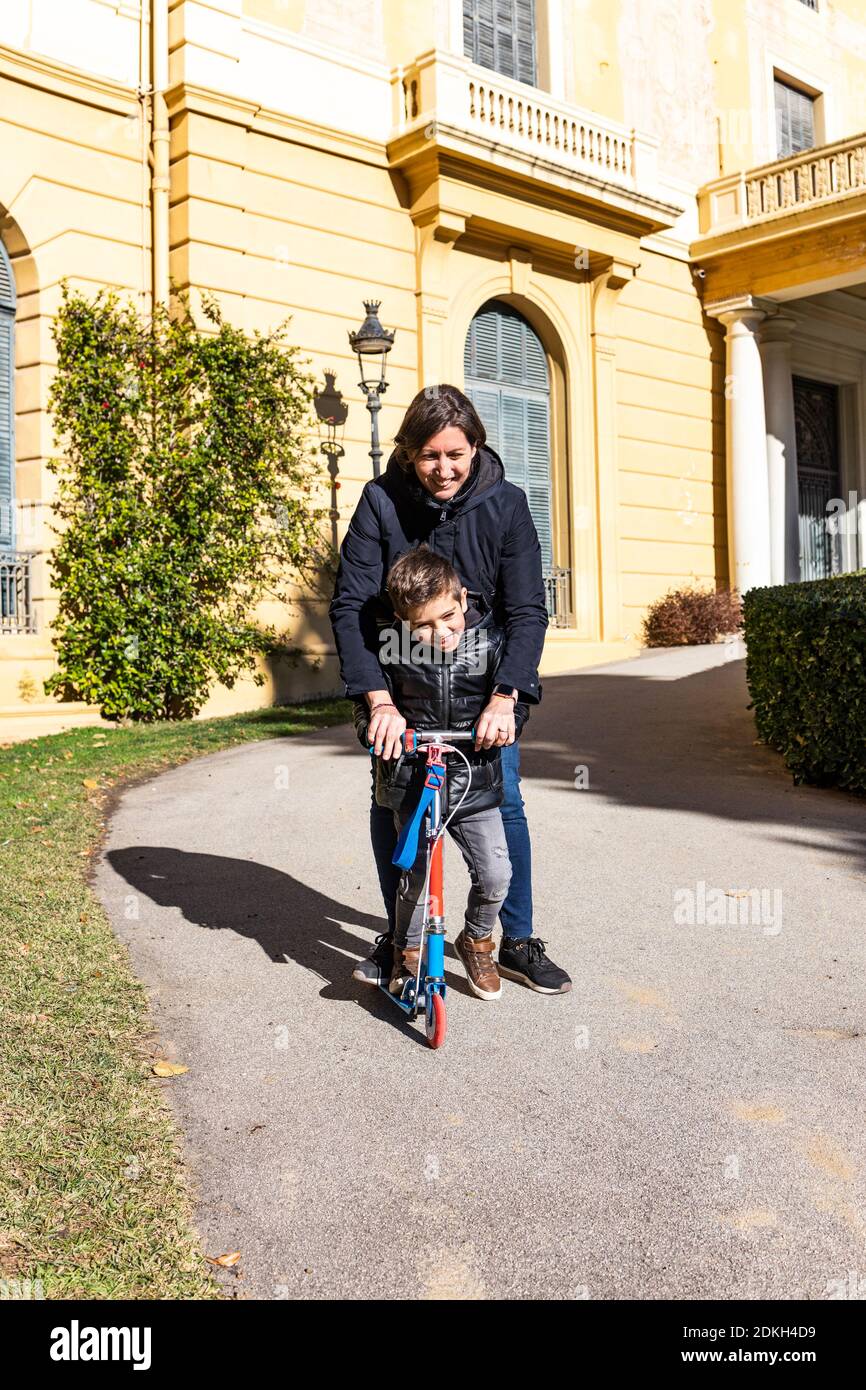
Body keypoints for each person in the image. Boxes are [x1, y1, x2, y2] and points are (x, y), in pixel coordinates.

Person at [330, 383, 571, 995]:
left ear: (475, 449)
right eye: (430, 456)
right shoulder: (380, 501)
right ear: (410, 453)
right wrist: (375, 699)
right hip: (400, 682)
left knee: (503, 802)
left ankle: (508, 939)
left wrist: (508, 694)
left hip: (478, 683)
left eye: (456, 455)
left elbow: (526, 611)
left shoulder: (508, 504)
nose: (444, 469)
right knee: (397, 806)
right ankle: (402, 940)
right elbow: (351, 605)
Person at [354, 546, 530, 999]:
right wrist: (378, 729)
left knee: (496, 873)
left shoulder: (492, 644)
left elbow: (520, 699)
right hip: (416, 784)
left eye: (448, 616)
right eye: (423, 625)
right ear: (401, 621)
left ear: (463, 597)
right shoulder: (390, 653)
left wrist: (506, 722)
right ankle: (406, 954)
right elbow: (367, 708)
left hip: (475, 781)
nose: (440, 632)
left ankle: (476, 940)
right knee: (413, 881)